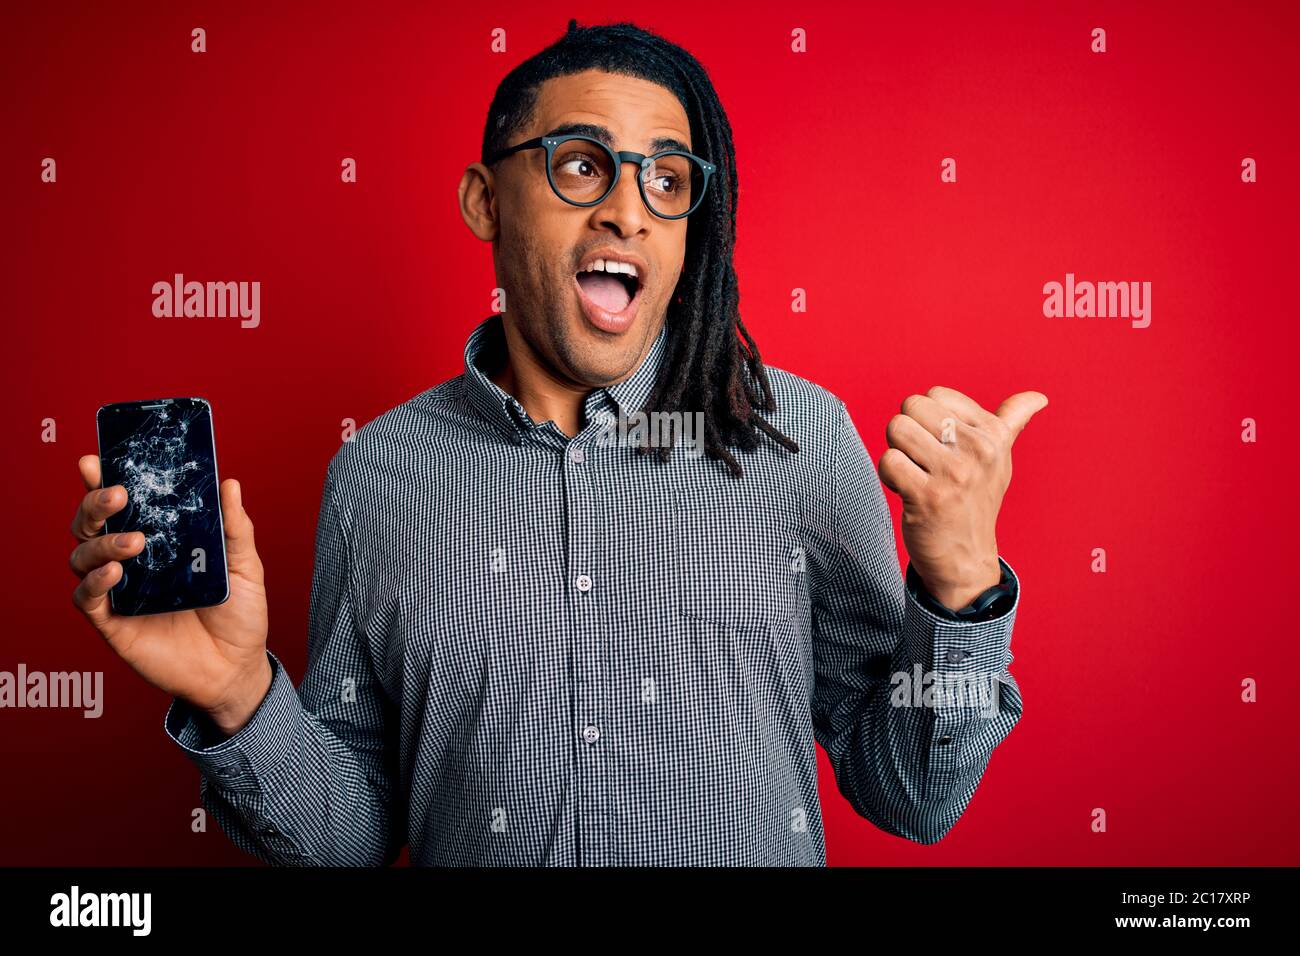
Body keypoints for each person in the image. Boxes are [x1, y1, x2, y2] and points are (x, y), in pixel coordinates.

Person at [67, 19, 1046, 866]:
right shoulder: (374, 478)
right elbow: (355, 831)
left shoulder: (799, 441)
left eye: (667, 178)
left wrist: (959, 583)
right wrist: (239, 696)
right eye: (581, 163)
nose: (628, 207)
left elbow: (912, 796)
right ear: (484, 201)